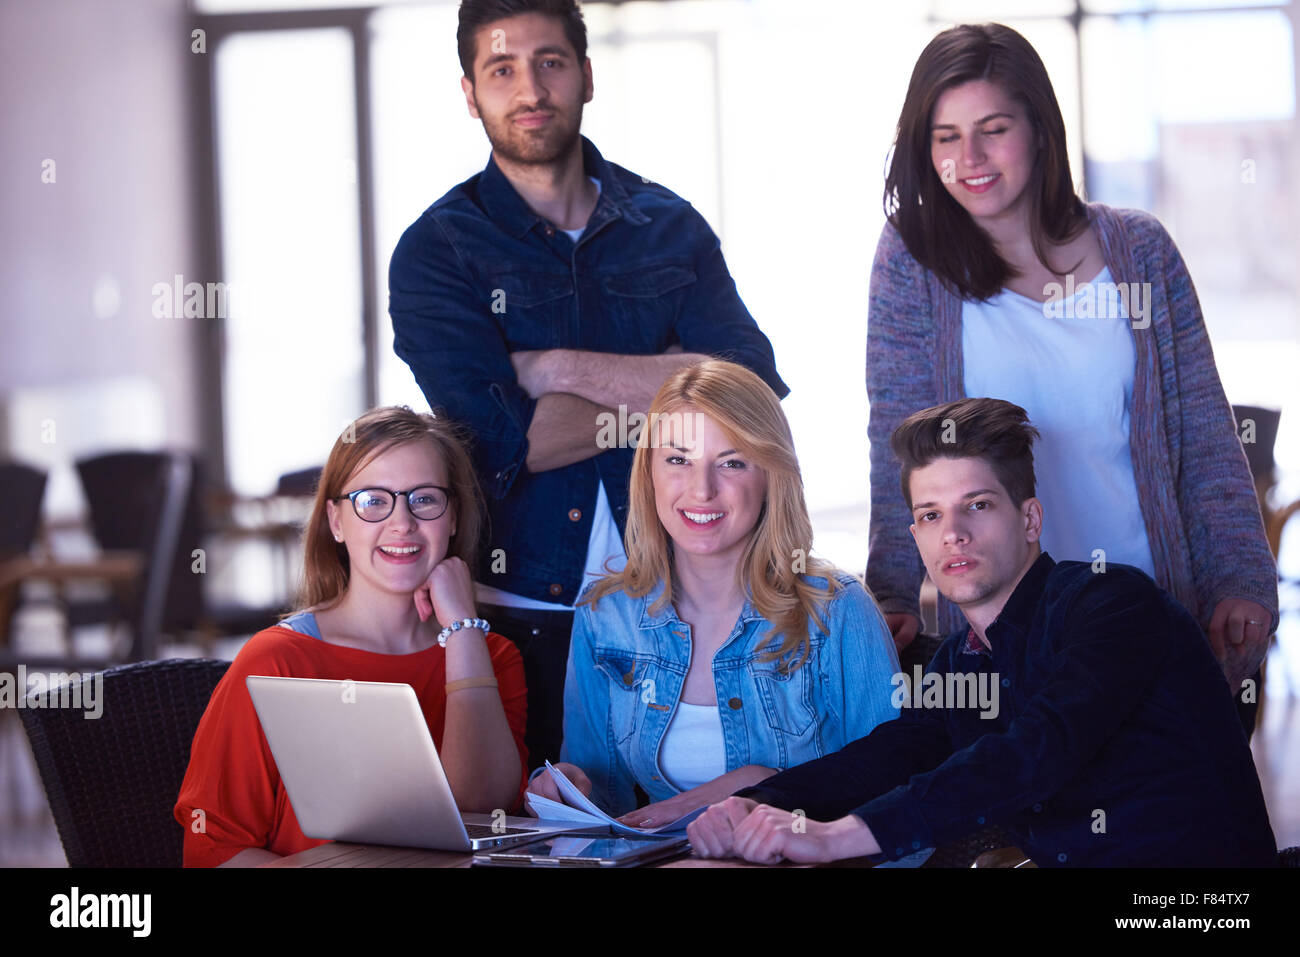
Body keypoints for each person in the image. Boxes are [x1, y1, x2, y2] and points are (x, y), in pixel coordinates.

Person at [389, 0, 786, 769]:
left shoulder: (670, 226)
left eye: (550, 62)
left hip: (683, 609)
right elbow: (506, 441)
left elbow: (751, 396)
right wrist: (676, 393)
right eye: (501, 69)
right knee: (534, 838)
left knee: (688, 833)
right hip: (523, 618)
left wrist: (552, 369)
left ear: (586, 75)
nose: (529, 88)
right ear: (470, 93)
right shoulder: (438, 253)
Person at [864, 23, 1276, 731]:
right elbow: (899, 446)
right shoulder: (914, 263)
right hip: (1005, 633)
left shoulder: (1137, 249)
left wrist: (1238, 575)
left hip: (1152, 608)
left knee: (1171, 825)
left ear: (1040, 129)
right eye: (945, 136)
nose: (970, 159)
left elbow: (1206, 431)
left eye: (993, 129)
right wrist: (895, 588)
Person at [687, 398, 1277, 867]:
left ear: (1030, 519)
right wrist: (757, 803)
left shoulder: (1112, 604)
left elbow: (1036, 750)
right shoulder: (959, 665)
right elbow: (889, 756)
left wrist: (839, 837)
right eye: (930, 515)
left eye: (978, 505)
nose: (953, 534)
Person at [527, 361, 900, 825]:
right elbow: (607, 805)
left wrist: (762, 792)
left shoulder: (837, 609)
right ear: (649, 474)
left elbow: (895, 801)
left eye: (732, 463)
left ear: (770, 476)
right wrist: (570, 788)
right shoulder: (605, 613)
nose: (701, 490)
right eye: (678, 460)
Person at [174, 407, 528, 867]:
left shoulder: (491, 655)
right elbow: (211, 850)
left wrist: (461, 627)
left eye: (424, 499)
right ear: (336, 522)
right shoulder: (276, 661)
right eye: (373, 500)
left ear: (453, 517)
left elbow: (483, 809)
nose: (402, 522)